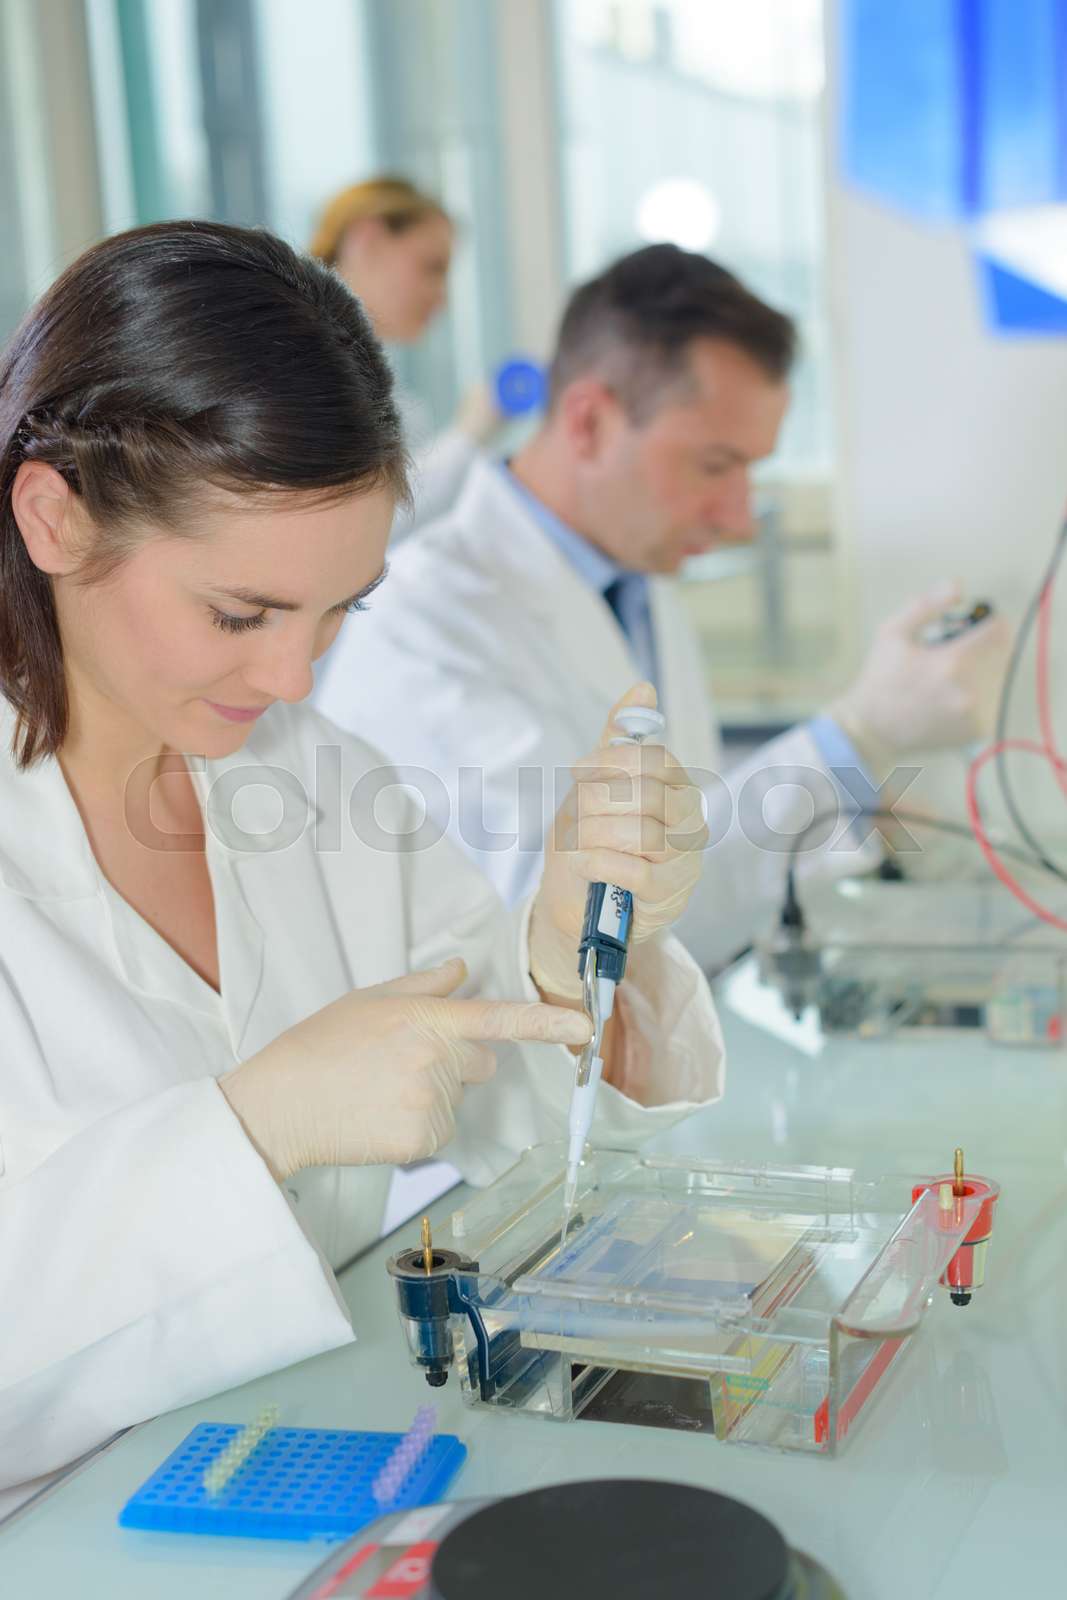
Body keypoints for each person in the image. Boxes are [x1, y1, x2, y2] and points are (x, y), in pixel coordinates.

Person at [0, 223, 723, 1504]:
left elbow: (523, 1110)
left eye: (343, 610)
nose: (293, 676)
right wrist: (252, 1124)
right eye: (241, 613)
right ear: (53, 516)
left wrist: (559, 944)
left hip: (292, 1485)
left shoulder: (310, 774)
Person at [315, 245, 1012, 970]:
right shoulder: (425, 621)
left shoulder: (636, 582)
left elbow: (685, 853)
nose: (739, 517)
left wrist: (855, 816)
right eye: (715, 465)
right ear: (588, 422)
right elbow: (584, 925)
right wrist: (854, 739)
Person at [309, 175, 500, 538]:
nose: (442, 298)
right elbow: (367, 528)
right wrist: (471, 434)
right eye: (432, 268)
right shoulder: (302, 376)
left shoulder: (382, 389)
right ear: (368, 240)